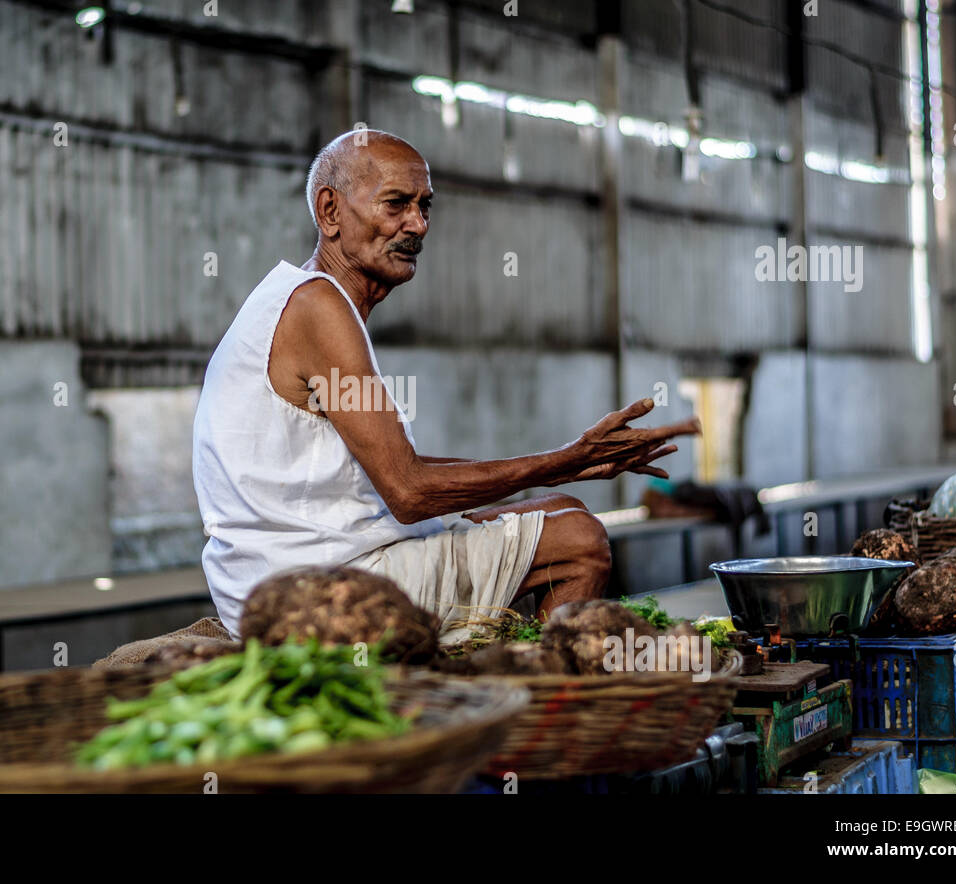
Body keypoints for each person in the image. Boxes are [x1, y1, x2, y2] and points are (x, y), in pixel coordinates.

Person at [193, 129, 701, 640]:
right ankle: (540, 704)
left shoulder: (304, 299)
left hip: (295, 572)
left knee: (560, 511)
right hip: (309, 594)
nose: (417, 224)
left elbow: (390, 470)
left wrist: (566, 468)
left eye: (424, 206)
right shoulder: (318, 307)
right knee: (580, 540)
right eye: (396, 204)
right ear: (330, 212)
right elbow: (408, 491)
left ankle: (521, 675)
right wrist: (564, 461)